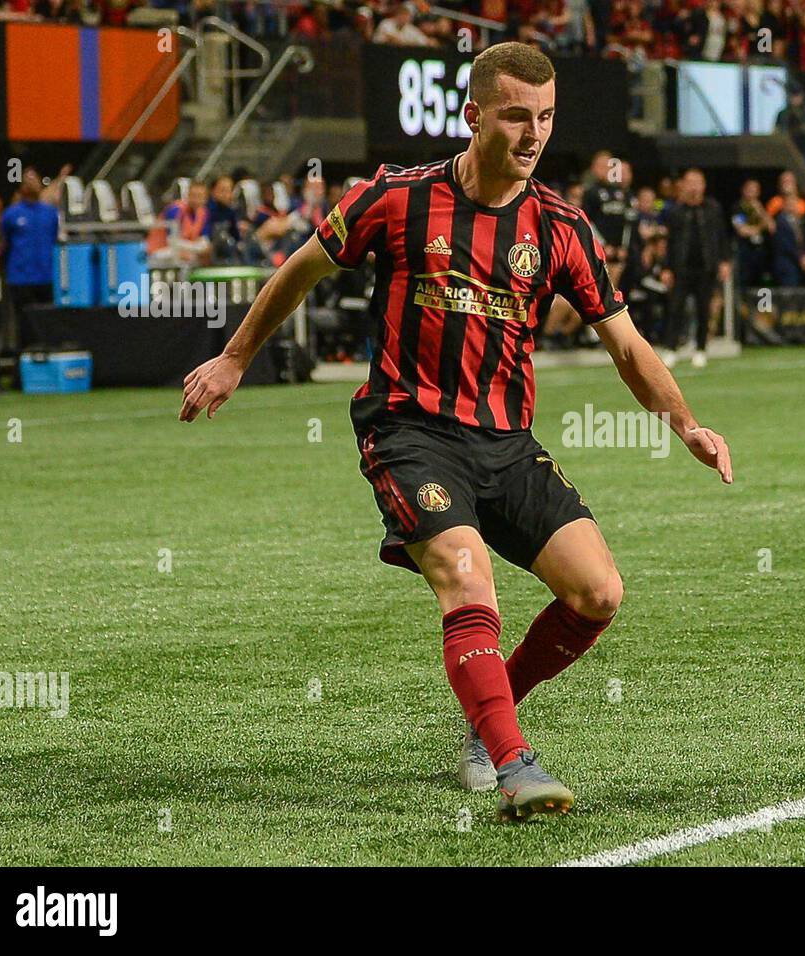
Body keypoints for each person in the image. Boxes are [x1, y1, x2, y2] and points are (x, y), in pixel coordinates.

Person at [177, 43, 732, 822]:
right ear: (473, 116)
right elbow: (301, 268)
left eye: (544, 117)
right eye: (515, 116)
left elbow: (630, 346)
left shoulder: (563, 228)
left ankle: (485, 714)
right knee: (470, 582)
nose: (533, 133)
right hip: (409, 432)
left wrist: (687, 423)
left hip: (506, 443)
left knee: (598, 592)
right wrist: (235, 358)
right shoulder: (395, 198)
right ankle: (514, 763)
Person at [662, 168, 730, 368]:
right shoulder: (675, 212)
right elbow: (670, 242)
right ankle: (670, 348)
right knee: (675, 309)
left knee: (703, 310)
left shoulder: (713, 209)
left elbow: (722, 237)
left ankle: (700, 349)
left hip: (706, 268)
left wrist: (724, 261)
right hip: (681, 268)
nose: (693, 186)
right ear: (682, 184)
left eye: (697, 182)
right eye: (689, 182)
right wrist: (666, 268)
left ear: (703, 185)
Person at [0, 166, 61, 353]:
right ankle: (22, 368)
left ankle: (47, 363)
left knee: (46, 322)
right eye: (27, 180)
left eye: (34, 179)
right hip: (20, 278)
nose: (31, 183)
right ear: (21, 186)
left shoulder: (50, 213)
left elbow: (55, 238)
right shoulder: (11, 214)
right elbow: (5, 242)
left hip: (46, 276)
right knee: (22, 324)